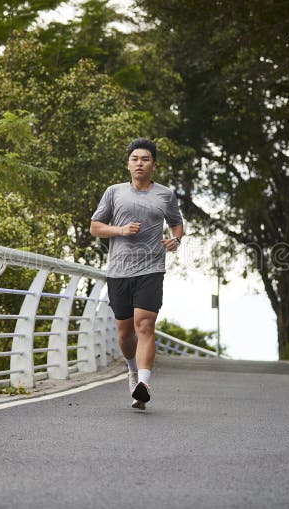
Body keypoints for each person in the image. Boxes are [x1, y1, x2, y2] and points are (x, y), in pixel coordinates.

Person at [89, 138, 184, 410]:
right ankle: (132, 372)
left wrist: (176, 240)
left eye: (145, 159)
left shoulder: (165, 195)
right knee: (124, 332)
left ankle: (144, 382)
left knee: (144, 325)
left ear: (154, 165)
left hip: (151, 268)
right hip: (119, 271)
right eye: (135, 159)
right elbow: (95, 227)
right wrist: (120, 230)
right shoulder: (114, 192)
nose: (139, 163)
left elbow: (177, 224)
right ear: (128, 164)